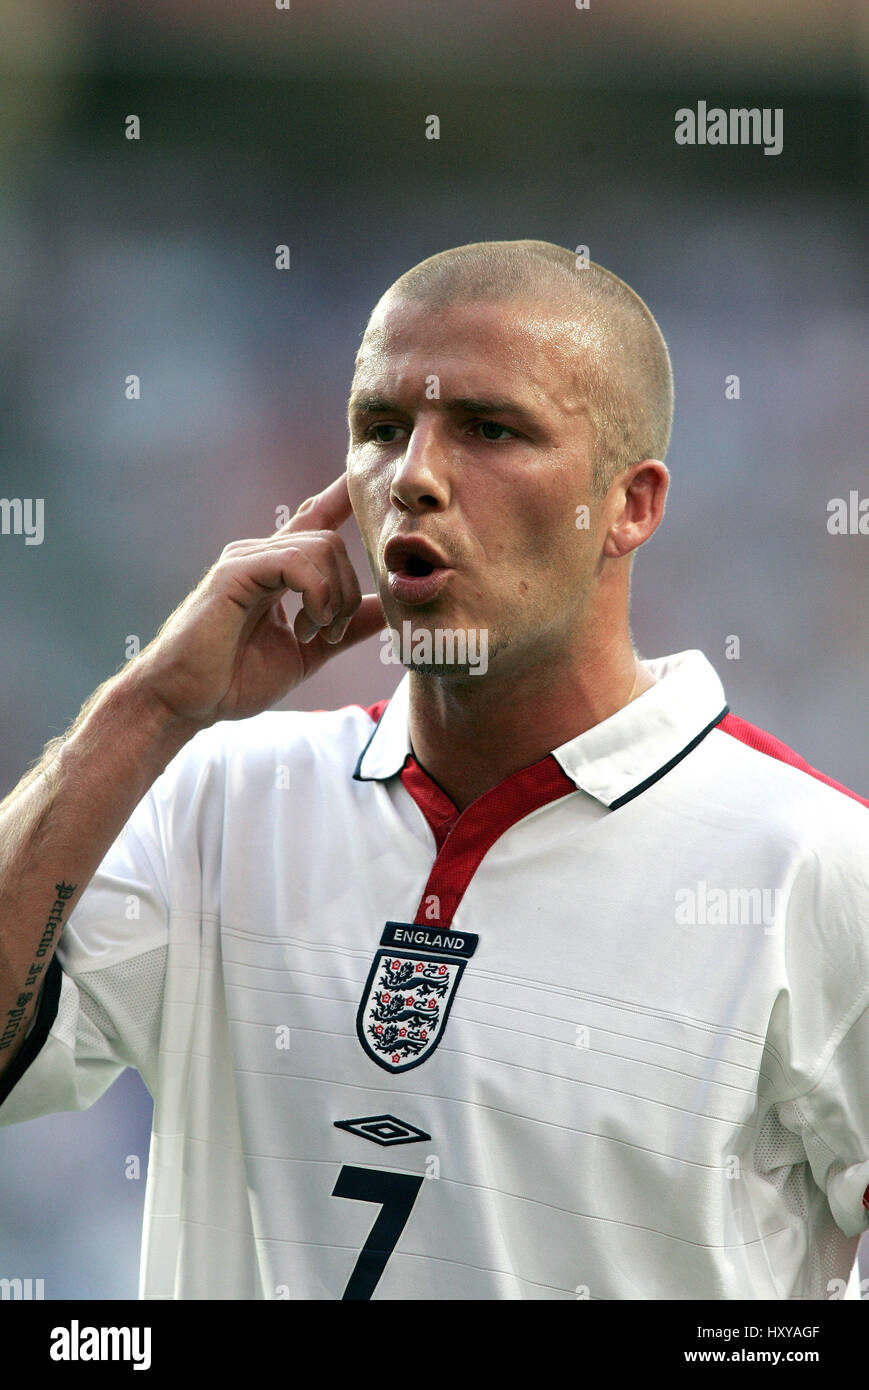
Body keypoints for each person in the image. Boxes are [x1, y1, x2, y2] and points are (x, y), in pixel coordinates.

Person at [0, 239, 866, 1301]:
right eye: (377, 430)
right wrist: (147, 707)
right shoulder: (217, 796)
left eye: (490, 430)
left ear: (629, 506)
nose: (410, 476)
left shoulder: (813, 866)